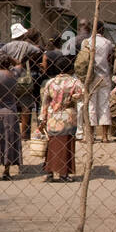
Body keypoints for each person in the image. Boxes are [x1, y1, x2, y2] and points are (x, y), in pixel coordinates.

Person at [39, 54, 84, 182]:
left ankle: (49, 172)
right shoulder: (74, 82)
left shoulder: (51, 82)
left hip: (53, 117)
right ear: (71, 68)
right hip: (68, 117)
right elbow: (83, 94)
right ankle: (64, 173)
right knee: (67, 144)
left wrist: (43, 118)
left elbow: (45, 102)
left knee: (52, 144)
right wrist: (72, 98)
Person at [77, 28, 114, 143]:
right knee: (104, 105)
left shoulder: (86, 42)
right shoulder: (108, 42)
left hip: (91, 76)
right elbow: (109, 57)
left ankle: (90, 136)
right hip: (104, 75)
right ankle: (104, 136)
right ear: (103, 30)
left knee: (91, 105)